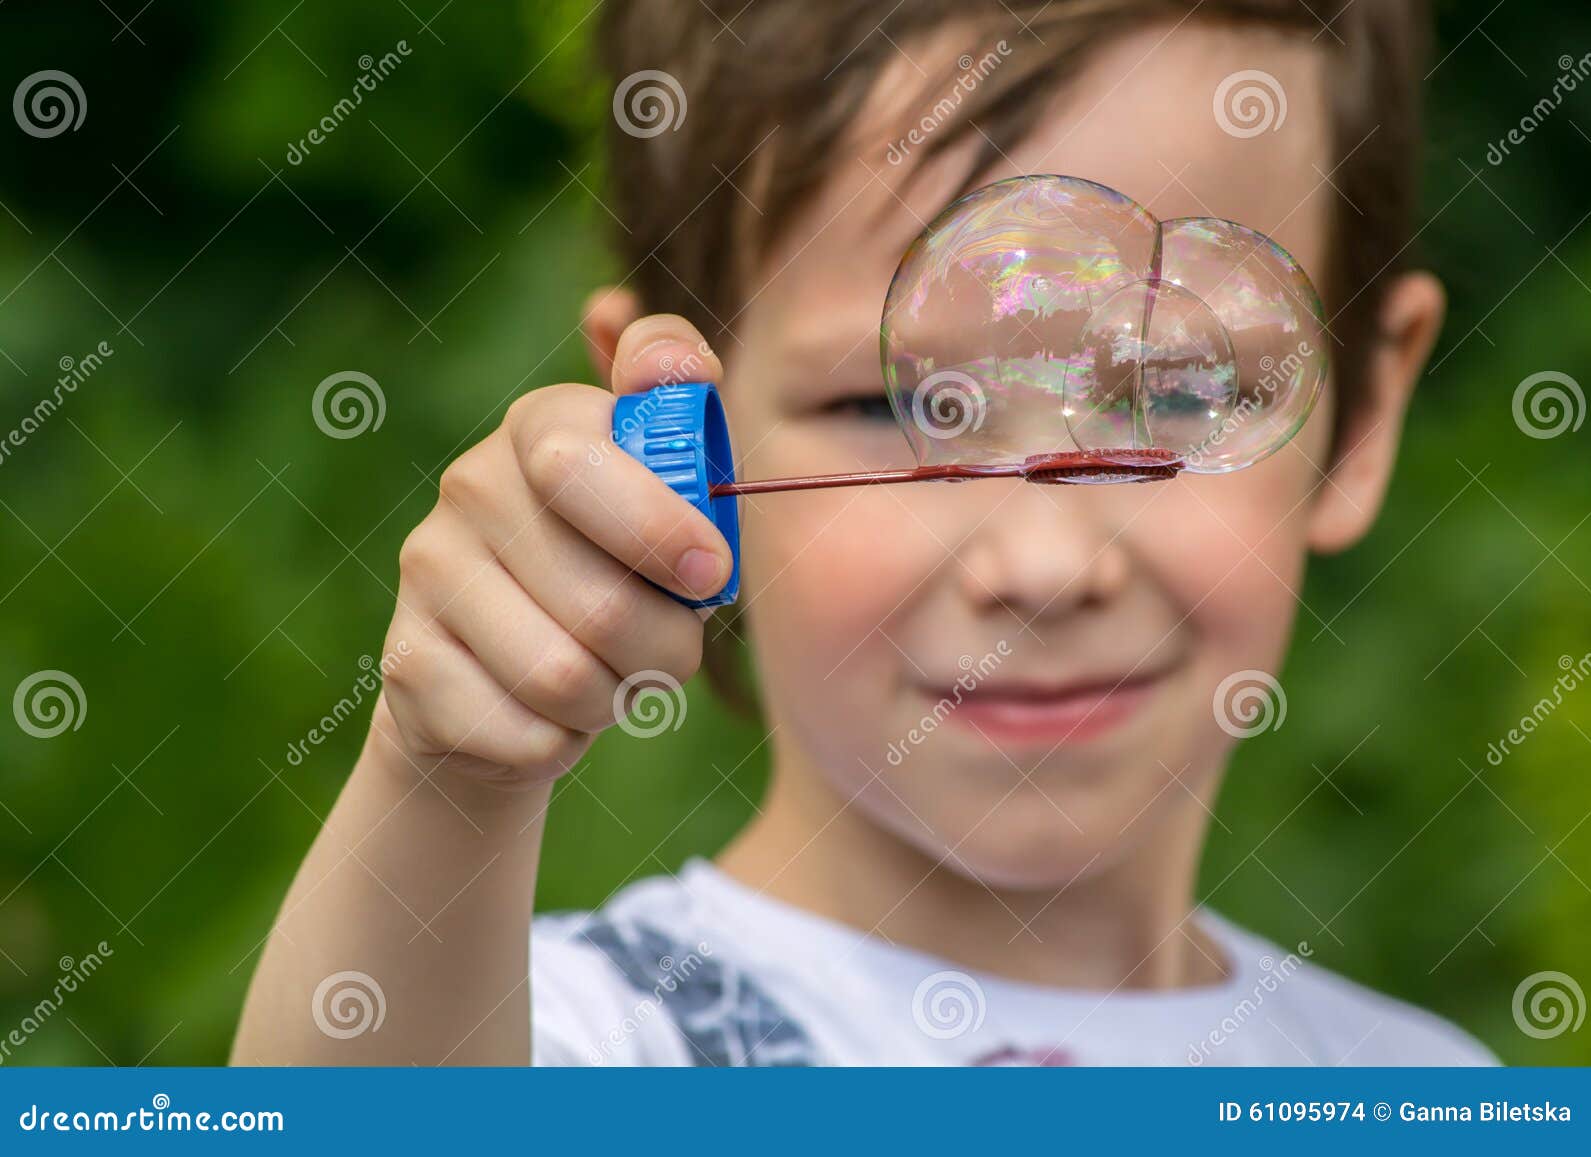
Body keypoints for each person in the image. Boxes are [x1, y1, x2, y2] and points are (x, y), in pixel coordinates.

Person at [232, 0, 1496, 1066]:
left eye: (1173, 390)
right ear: (675, 434)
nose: (1045, 565)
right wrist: (445, 779)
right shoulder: (582, 1038)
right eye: (898, 404)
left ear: (1364, 406)